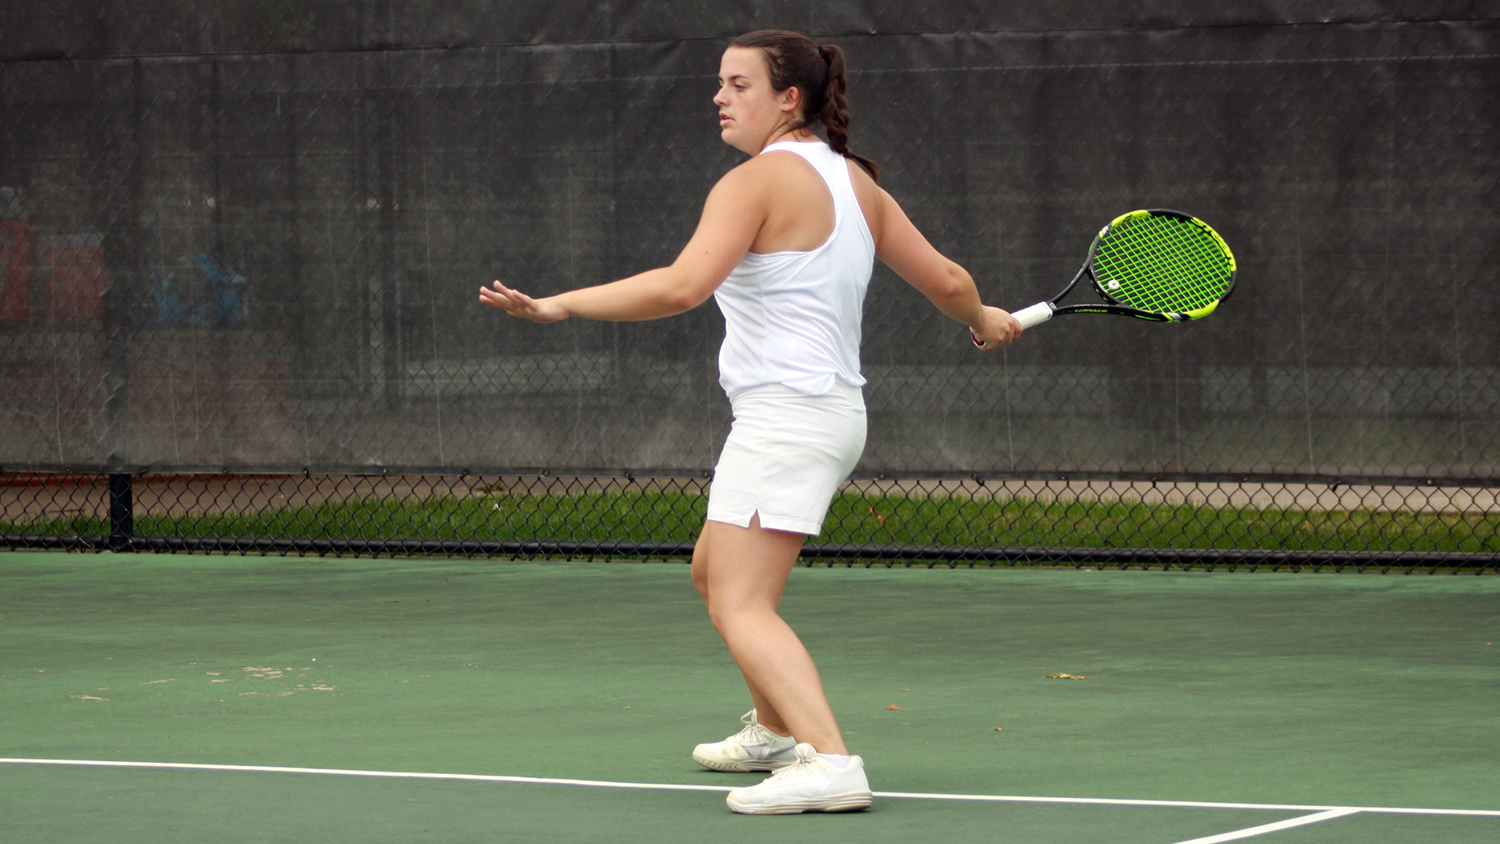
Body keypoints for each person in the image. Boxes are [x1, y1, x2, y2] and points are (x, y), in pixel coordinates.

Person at [479, 29, 1022, 814]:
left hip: (788, 418)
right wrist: (983, 315)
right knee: (712, 571)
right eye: (720, 83)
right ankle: (773, 730)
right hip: (826, 415)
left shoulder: (754, 184)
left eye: (737, 84)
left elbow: (682, 286)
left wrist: (561, 304)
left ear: (787, 98)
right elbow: (946, 279)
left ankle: (831, 762)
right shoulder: (855, 183)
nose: (719, 96)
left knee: (740, 601)